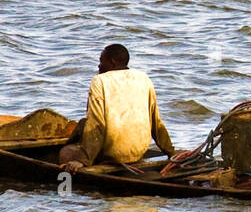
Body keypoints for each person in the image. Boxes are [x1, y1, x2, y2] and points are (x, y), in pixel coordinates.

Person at [58, 44, 176, 172]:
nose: (99, 66)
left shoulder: (99, 81)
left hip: (113, 154)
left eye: (101, 61)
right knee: (83, 125)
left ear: (112, 62)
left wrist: (83, 161)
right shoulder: (143, 78)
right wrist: (170, 152)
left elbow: (97, 124)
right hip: (137, 152)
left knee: (65, 152)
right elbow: (156, 122)